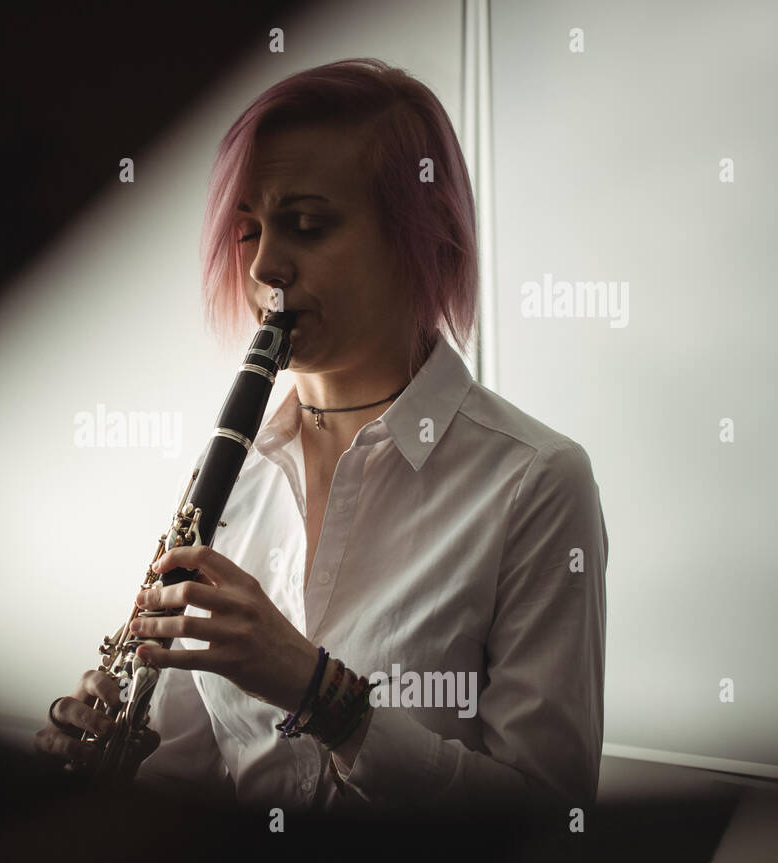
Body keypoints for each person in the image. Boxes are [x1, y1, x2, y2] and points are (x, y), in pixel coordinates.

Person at [34, 58, 608, 822]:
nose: (265, 264)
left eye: (307, 225)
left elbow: (551, 824)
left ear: (424, 239)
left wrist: (321, 694)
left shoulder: (537, 482)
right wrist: (108, 765)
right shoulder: (226, 480)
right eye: (249, 229)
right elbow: (192, 777)